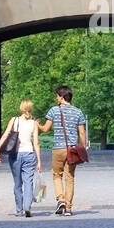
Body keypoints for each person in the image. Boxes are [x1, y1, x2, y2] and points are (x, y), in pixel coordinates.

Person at [38, 85, 87, 216]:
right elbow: (82, 133)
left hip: (58, 149)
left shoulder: (54, 110)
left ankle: (61, 199)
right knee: (69, 178)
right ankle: (69, 208)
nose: (56, 98)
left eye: (57, 96)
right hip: (72, 149)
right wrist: (83, 147)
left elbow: (45, 129)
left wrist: (36, 124)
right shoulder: (78, 112)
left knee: (56, 175)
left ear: (61, 96)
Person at [0, 99, 41, 217]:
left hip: (15, 154)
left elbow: (5, 135)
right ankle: (27, 206)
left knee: (17, 182)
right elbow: (36, 143)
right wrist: (39, 160)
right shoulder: (34, 123)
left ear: (21, 108)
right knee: (28, 182)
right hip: (29, 154)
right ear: (31, 109)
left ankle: (19, 210)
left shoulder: (14, 120)